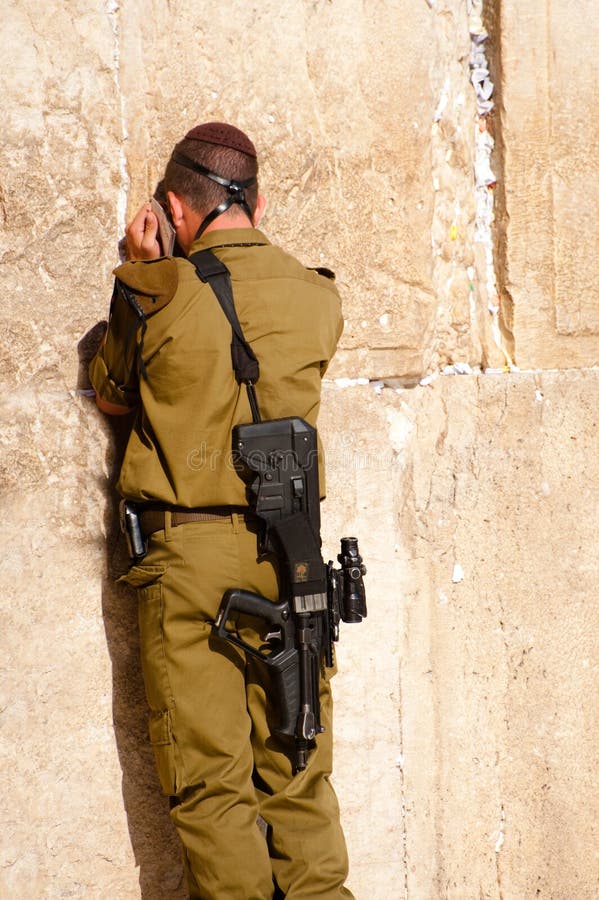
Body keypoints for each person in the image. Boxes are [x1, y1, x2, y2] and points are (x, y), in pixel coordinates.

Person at [89, 121, 353, 899]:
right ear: (259, 202)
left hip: (189, 555)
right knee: (298, 769)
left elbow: (111, 392)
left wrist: (140, 273)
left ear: (174, 206)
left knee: (211, 785)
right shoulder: (317, 297)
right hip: (291, 551)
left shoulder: (156, 289)